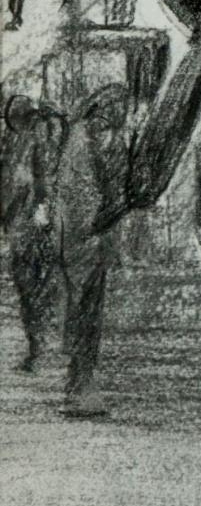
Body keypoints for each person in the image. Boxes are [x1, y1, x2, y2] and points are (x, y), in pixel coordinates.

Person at [51, 84, 133, 417]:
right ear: (104, 106)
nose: (122, 112)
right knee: (83, 308)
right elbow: (86, 191)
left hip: (81, 236)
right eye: (118, 106)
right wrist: (100, 222)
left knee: (82, 307)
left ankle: (79, 382)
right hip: (83, 236)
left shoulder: (86, 135)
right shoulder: (89, 137)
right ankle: (80, 385)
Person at [2, 95, 63, 372]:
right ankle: (38, 348)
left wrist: (42, 207)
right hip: (24, 222)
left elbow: (44, 178)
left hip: (36, 222)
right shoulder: (20, 141)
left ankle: (41, 349)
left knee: (36, 286)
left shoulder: (40, 137)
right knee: (31, 286)